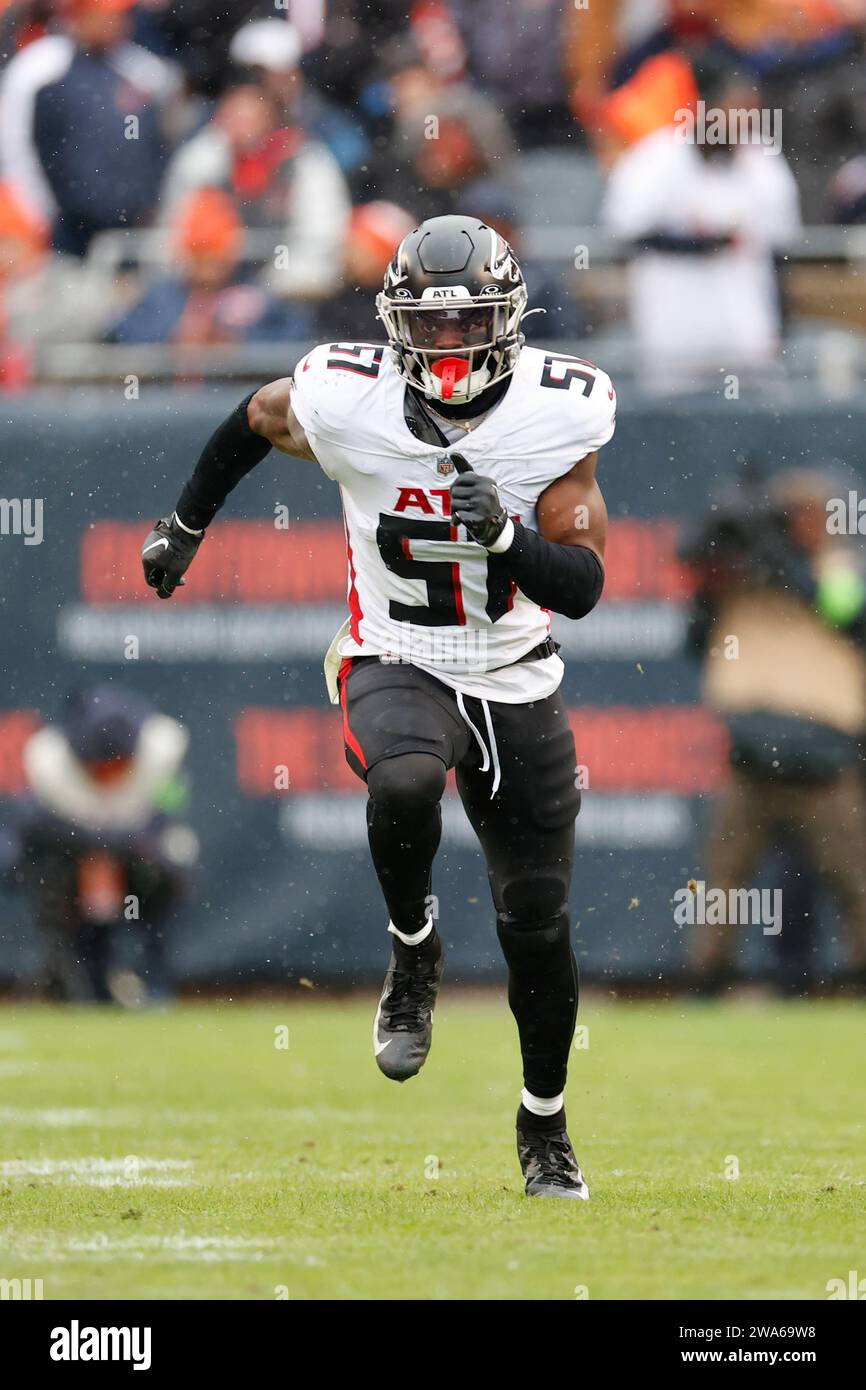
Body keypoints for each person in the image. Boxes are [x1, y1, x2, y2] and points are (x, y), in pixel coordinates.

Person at [140, 213, 616, 1200]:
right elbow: (256, 420)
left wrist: (509, 543)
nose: (446, 348)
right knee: (401, 781)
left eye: (465, 325)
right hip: (393, 651)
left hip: (515, 669)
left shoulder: (555, 413)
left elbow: (579, 585)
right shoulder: (347, 397)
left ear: (506, 321)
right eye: (428, 329)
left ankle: (543, 1125)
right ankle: (413, 950)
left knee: (537, 922)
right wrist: (184, 525)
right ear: (395, 326)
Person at [2, 684, 195, 1003]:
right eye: (99, 767)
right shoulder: (47, 762)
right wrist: (92, 853)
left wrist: (119, 850)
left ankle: (157, 984)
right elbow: (31, 827)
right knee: (51, 880)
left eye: (118, 764)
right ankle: (82, 986)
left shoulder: (163, 750)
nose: (109, 774)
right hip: (73, 865)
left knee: (168, 871)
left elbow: (171, 811)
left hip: (139, 862)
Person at [0, 0, 180, 256]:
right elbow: (16, 144)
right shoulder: (41, 65)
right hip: (65, 230)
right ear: (79, 15)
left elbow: (143, 136)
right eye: (104, 15)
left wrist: (147, 200)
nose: (115, 22)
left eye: (119, 15)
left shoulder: (139, 69)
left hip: (131, 227)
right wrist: (38, 211)